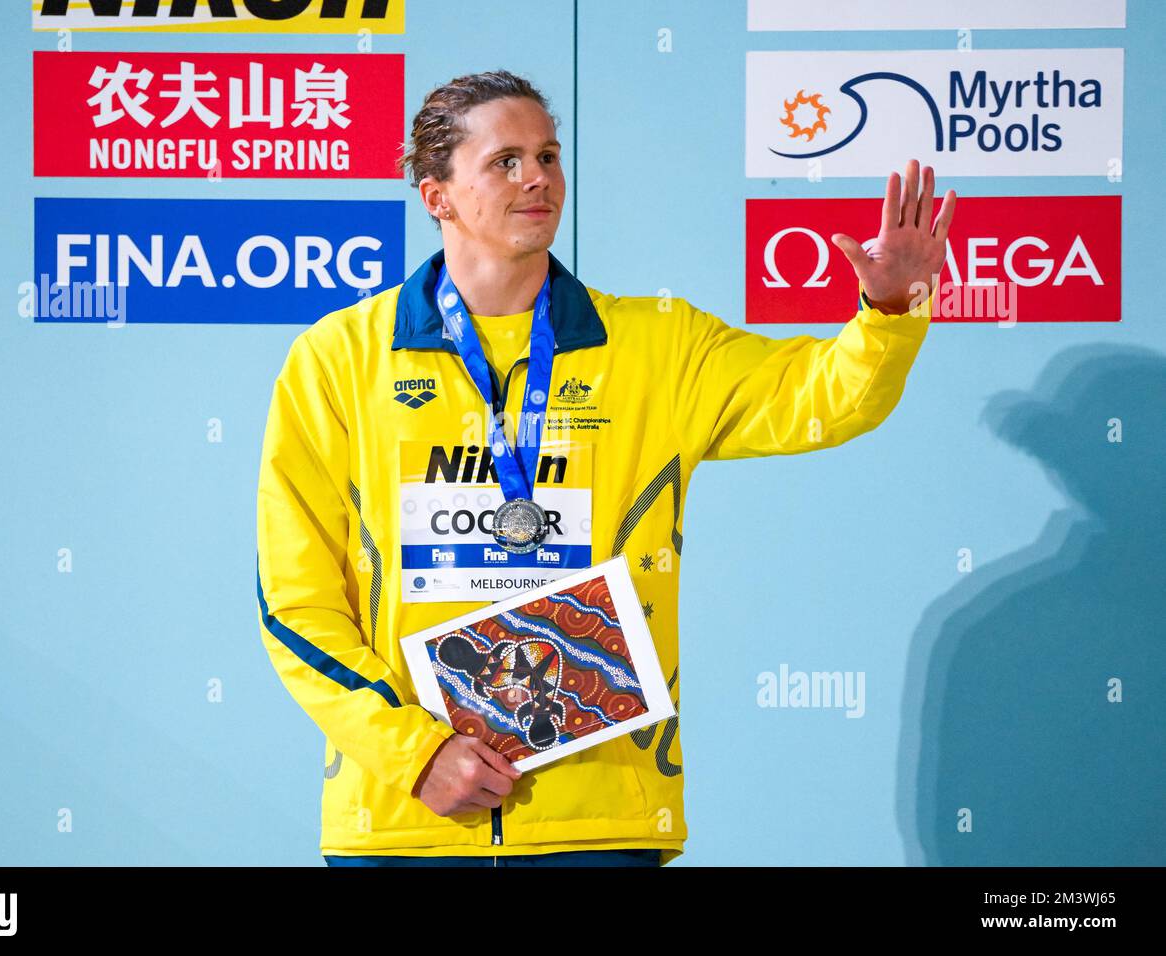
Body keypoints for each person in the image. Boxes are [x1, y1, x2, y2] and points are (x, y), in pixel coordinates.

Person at [255, 70, 956, 867]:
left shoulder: (657, 345)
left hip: (599, 818)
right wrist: (413, 753)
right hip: (408, 813)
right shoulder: (338, 360)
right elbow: (294, 604)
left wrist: (890, 311)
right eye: (506, 161)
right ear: (437, 196)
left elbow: (823, 399)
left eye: (549, 156)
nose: (538, 179)